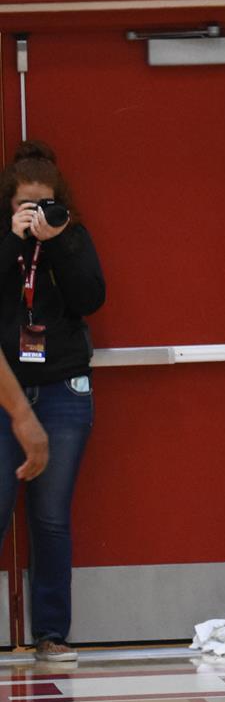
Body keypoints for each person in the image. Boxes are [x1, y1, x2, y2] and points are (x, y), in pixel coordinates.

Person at [0, 141, 101, 662]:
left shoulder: (72, 237)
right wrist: (14, 246)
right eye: (26, 206)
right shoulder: (3, 241)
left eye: (46, 204)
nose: (37, 214)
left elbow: (91, 299)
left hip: (63, 387)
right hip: (5, 390)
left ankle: (51, 634)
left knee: (52, 517)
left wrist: (58, 242)